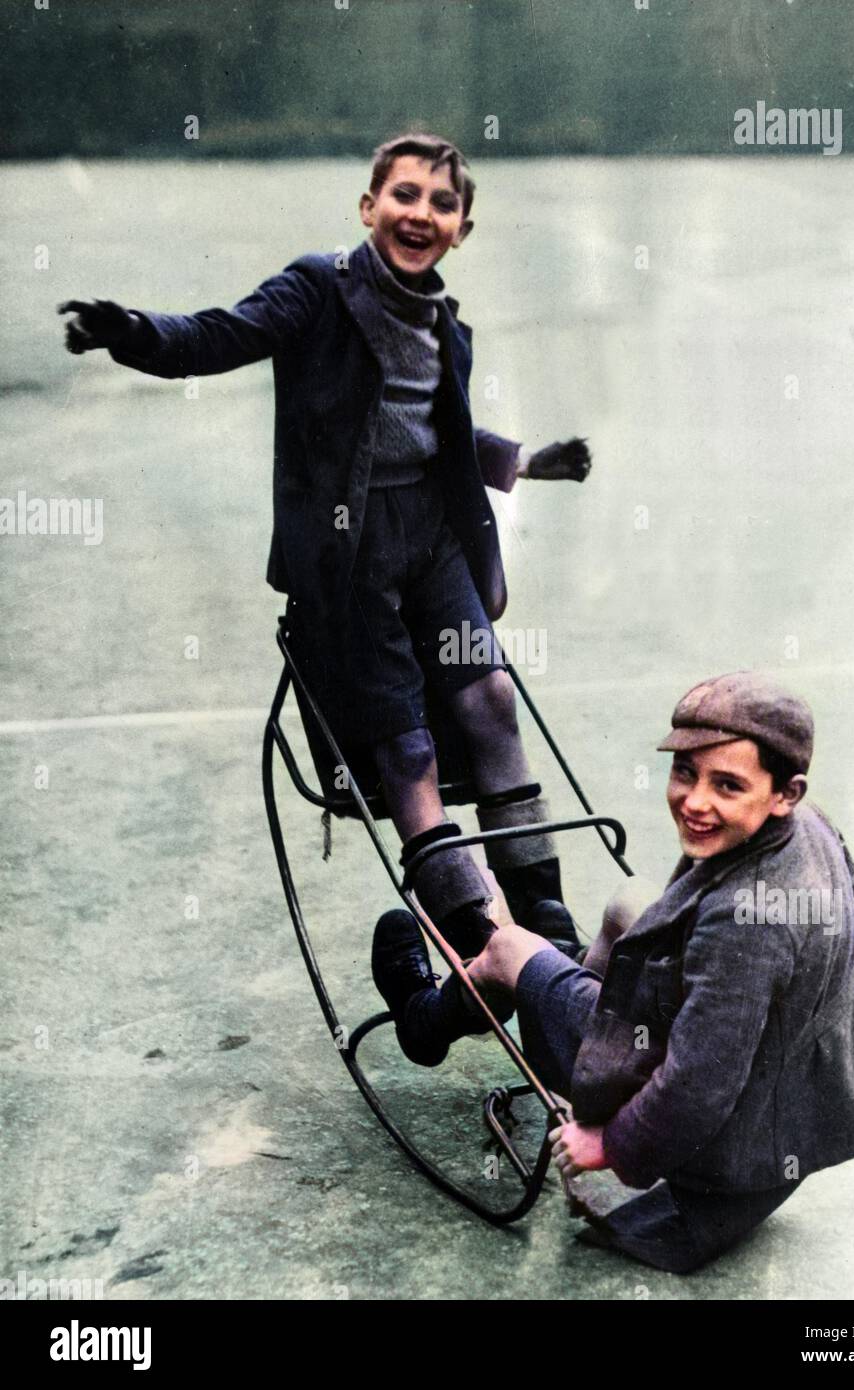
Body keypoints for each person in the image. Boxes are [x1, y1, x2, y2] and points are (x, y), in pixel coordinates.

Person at [58, 131, 592, 959]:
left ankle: (546, 918)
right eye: (405, 195)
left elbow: (440, 434)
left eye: (442, 203)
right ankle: (473, 930)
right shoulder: (319, 290)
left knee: (489, 701)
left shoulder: (447, 328)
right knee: (404, 745)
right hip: (350, 564)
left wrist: (525, 461)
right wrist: (129, 331)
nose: (421, 214)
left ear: (462, 230)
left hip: (432, 545)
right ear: (368, 206)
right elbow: (217, 335)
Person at [372, 671, 854, 1271]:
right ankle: (561, 971)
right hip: (746, 1093)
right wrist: (795, 1041)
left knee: (508, 947)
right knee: (629, 901)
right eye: (685, 773)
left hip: (697, 1121)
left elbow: (698, 1087)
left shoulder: (741, 926)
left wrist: (610, 1145)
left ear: (784, 791)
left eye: (727, 786)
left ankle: (427, 1021)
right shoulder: (810, 826)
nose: (695, 802)